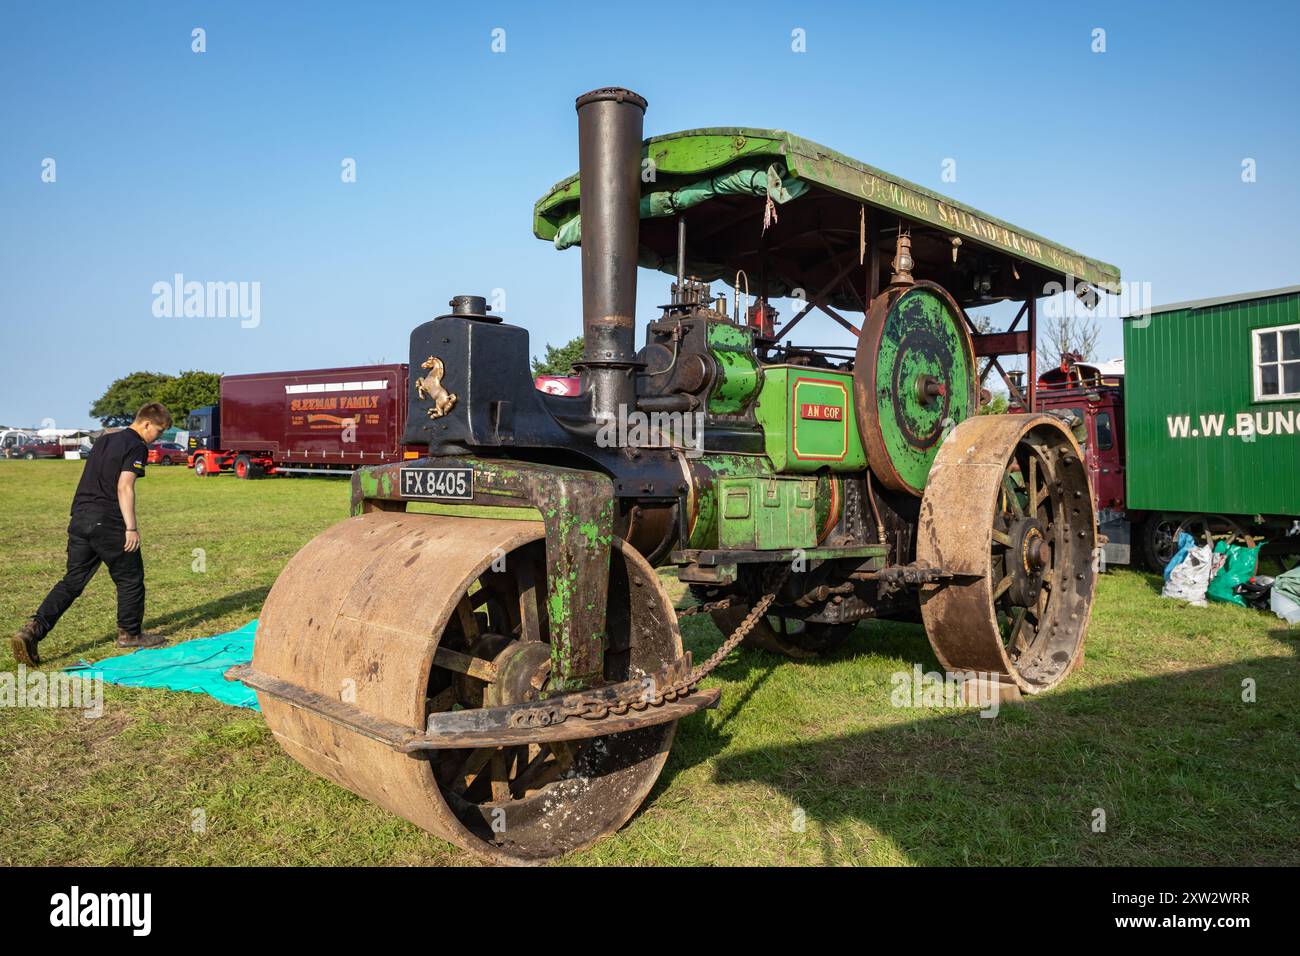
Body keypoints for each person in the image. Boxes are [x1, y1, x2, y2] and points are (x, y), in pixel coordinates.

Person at [10, 403, 173, 666]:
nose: (158, 438)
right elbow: (124, 487)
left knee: (72, 581)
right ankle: (130, 634)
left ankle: (32, 630)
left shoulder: (105, 440)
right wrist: (131, 528)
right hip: (107, 521)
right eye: (159, 431)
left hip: (80, 518)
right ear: (146, 424)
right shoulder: (136, 446)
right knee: (130, 578)